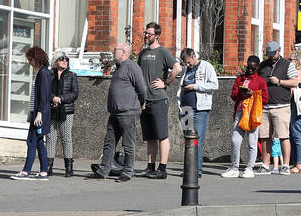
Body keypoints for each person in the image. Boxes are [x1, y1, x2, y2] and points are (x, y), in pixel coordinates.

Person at [89, 43, 147, 182]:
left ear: (123, 52)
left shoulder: (132, 67)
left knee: (128, 144)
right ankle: (103, 171)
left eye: (115, 50)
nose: (113, 51)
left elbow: (142, 89)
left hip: (128, 111)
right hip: (115, 112)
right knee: (109, 142)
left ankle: (127, 172)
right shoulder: (119, 67)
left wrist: (141, 102)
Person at [136, 21, 180, 180]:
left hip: (158, 99)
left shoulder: (163, 52)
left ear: (157, 35)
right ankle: (150, 167)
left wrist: (166, 82)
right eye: (146, 33)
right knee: (149, 136)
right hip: (144, 100)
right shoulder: (142, 53)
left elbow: (177, 67)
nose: (146, 36)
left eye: (149, 34)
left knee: (162, 135)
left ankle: (162, 169)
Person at [223, 55, 268, 178]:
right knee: (235, 140)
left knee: (252, 142)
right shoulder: (240, 79)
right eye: (248, 67)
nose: (250, 70)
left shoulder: (260, 81)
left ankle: (249, 168)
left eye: (253, 68)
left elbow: (265, 99)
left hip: (253, 113)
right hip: (240, 111)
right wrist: (241, 93)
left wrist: (253, 94)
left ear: (257, 67)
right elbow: (233, 95)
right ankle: (234, 167)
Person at [12, 46, 53, 180]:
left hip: (39, 114)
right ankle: (44, 171)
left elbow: (44, 96)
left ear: (36, 58)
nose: (29, 62)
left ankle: (26, 171)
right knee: (40, 142)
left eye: (30, 59)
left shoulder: (43, 73)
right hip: (38, 113)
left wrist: (39, 113)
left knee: (32, 141)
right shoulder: (42, 72)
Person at [258, 40, 298, 174]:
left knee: (283, 136)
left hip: (281, 105)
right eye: (269, 54)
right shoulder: (262, 65)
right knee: (264, 136)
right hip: (265, 105)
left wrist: (279, 82)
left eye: (273, 54)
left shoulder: (287, 64)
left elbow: (295, 81)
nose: (271, 56)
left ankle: (286, 165)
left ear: (279, 51)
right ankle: (265, 164)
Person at [178, 47, 218, 175]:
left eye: (189, 62)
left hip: (199, 109)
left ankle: (196, 170)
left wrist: (195, 86)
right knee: (187, 139)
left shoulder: (206, 66)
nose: (188, 65)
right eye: (186, 63)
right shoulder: (185, 70)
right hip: (185, 109)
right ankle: (188, 169)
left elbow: (214, 85)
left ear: (194, 56)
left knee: (196, 140)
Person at [50, 54, 80, 177]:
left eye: (66, 60)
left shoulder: (71, 75)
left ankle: (69, 167)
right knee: (50, 138)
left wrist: (60, 99)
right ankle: (48, 166)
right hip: (51, 109)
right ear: (56, 61)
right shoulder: (49, 74)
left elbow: (74, 93)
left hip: (66, 110)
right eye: (61, 59)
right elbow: (45, 90)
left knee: (66, 137)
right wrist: (52, 98)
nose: (64, 61)